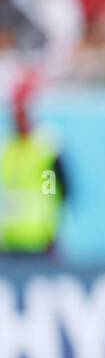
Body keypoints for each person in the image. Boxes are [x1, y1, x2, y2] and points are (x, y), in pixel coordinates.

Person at [1, 76, 70, 257]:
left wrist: (50, 232)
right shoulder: (8, 149)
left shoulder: (45, 148)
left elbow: (54, 193)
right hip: (9, 241)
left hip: (39, 240)